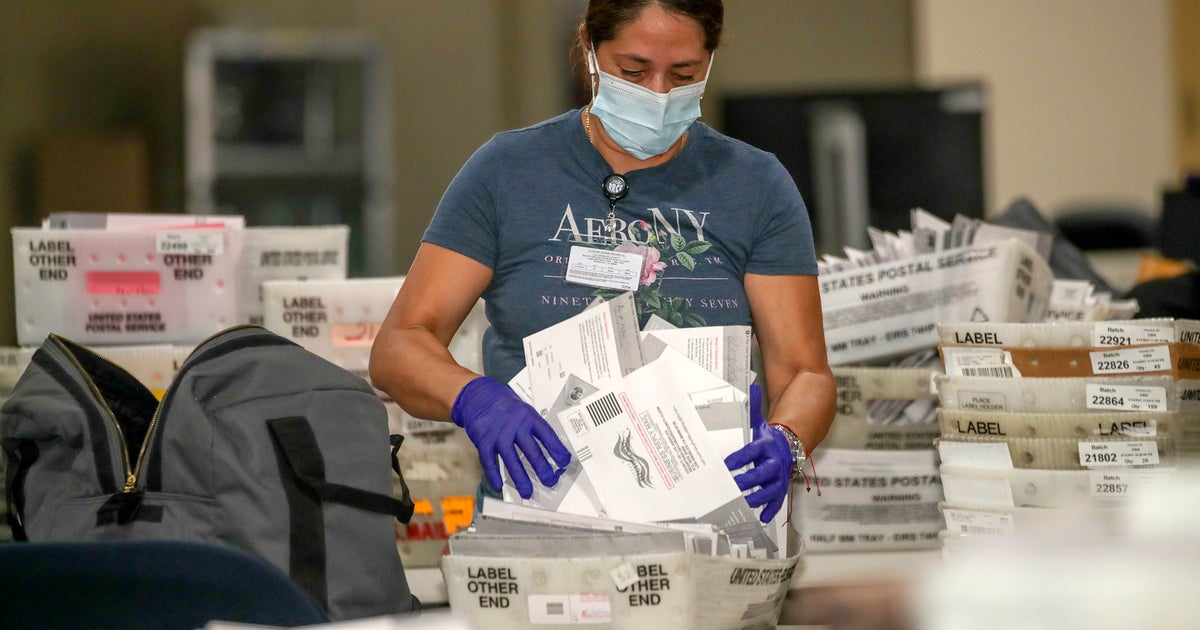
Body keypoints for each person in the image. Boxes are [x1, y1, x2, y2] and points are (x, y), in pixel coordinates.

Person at [369, 0, 836, 524]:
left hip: (709, 526)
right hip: (539, 524)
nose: (659, 93)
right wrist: (474, 398)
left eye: (683, 75)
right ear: (589, 47)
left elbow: (805, 372)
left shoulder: (754, 186)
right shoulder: (508, 172)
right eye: (633, 72)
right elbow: (399, 346)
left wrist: (787, 437)